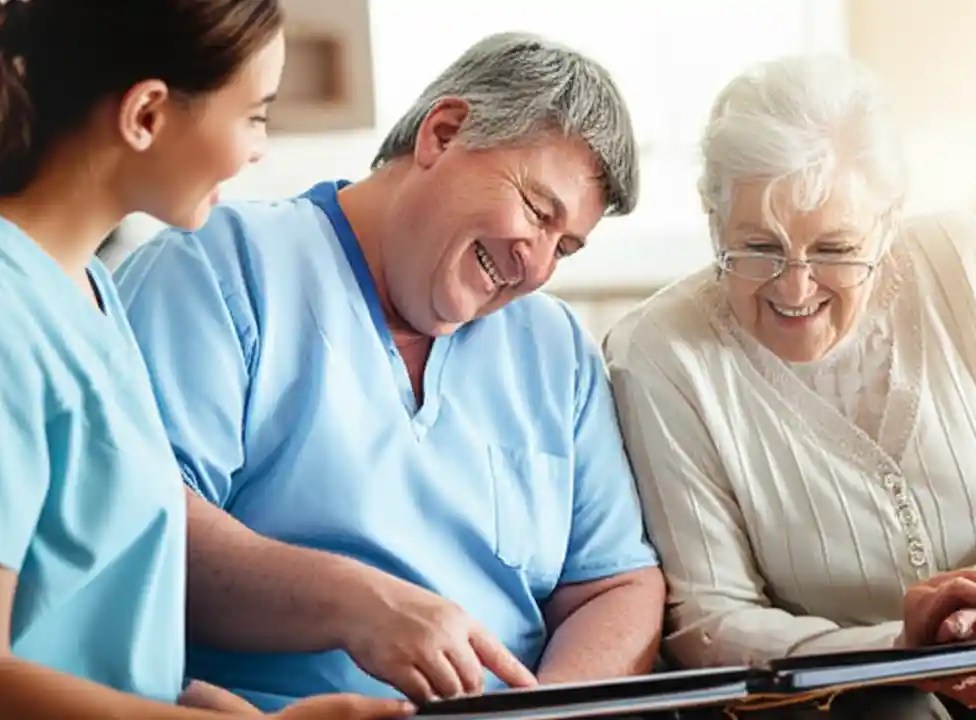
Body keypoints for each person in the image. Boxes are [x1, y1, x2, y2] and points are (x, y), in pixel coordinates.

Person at [0, 1, 409, 718]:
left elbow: (71, 615)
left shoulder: (84, 290)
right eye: (255, 114)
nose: (258, 150)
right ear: (147, 113)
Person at [113, 31, 665, 711]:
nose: (537, 266)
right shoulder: (218, 267)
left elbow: (614, 584)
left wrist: (544, 709)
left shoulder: (555, 349)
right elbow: (139, 525)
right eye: (535, 210)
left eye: (567, 246)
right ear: (444, 132)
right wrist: (354, 604)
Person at [604, 54, 976, 719]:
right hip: (843, 690)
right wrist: (900, 648)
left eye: (833, 249)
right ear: (714, 225)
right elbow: (711, 616)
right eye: (759, 247)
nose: (795, 286)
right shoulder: (659, 353)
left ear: (886, 225)